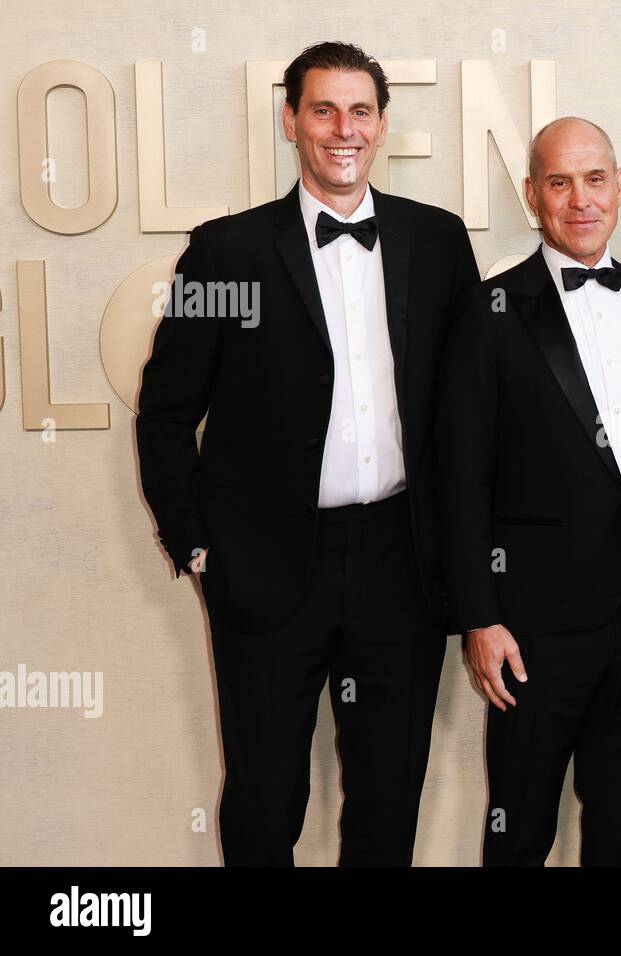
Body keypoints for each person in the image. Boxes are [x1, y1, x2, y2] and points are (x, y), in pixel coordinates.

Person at [135, 41, 480, 865]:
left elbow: (473, 414)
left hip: (402, 563)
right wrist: (197, 544)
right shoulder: (228, 252)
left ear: (382, 125)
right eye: (322, 109)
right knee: (263, 800)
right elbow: (166, 410)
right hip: (265, 566)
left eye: (359, 111)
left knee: (387, 804)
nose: (342, 129)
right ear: (291, 121)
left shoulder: (438, 243)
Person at [436, 116, 621, 866]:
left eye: (594, 179)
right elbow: (460, 476)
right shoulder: (489, 311)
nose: (580, 200)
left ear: (620, 186)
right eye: (559, 182)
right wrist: (479, 619)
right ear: (532, 195)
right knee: (518, 829)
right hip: (531, 629)